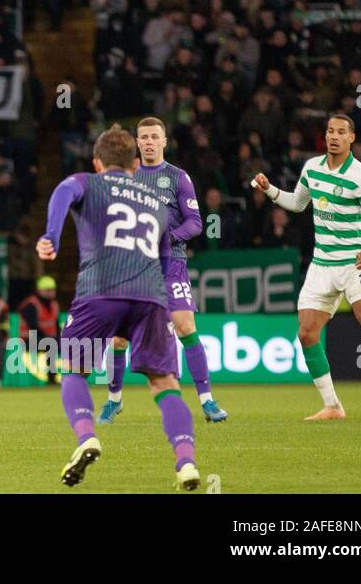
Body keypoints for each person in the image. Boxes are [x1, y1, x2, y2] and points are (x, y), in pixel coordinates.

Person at [39, 124, 201, 491]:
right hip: (150, 297)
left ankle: (87, 437)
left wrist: (50, 236)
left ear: (98, 162)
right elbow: (164, 257)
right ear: (133, 163)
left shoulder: (88, 182)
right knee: (164, 383)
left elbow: (64, 190)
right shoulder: (155, 202)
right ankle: (186, 462)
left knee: (72, 368)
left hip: (100, 291)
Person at [252, 114, 361, 420]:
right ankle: (332, 406)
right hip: (322, 264)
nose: (334, 136)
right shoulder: (312, 168)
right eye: (330, 131)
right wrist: (270, 189)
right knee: (307, 334)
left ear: (352, 138)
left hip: (354, 263)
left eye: (341, 132)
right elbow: (298, 204)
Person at [99, 117, 227, 424]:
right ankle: (113, 400)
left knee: (185, 327)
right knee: (118, 338)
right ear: (137, 142)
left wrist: (169, 237)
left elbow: (195, 223)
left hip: (172, 264)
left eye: (155, 137)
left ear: (164, 141)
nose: (149, 142)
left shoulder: (178, 177)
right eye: (143, 137)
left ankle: (208, 402)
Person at [18, 275, 61, 387]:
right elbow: (33, 327)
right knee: (51, 344)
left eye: (51, 290)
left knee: (70, 344)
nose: (49, 293)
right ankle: (52, 378)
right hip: (29, 340)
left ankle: (77, 378)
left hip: (47, 339)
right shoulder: (31, 305)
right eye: (46, 290)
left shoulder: (54, 305)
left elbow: (56, 326)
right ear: (39, 290)